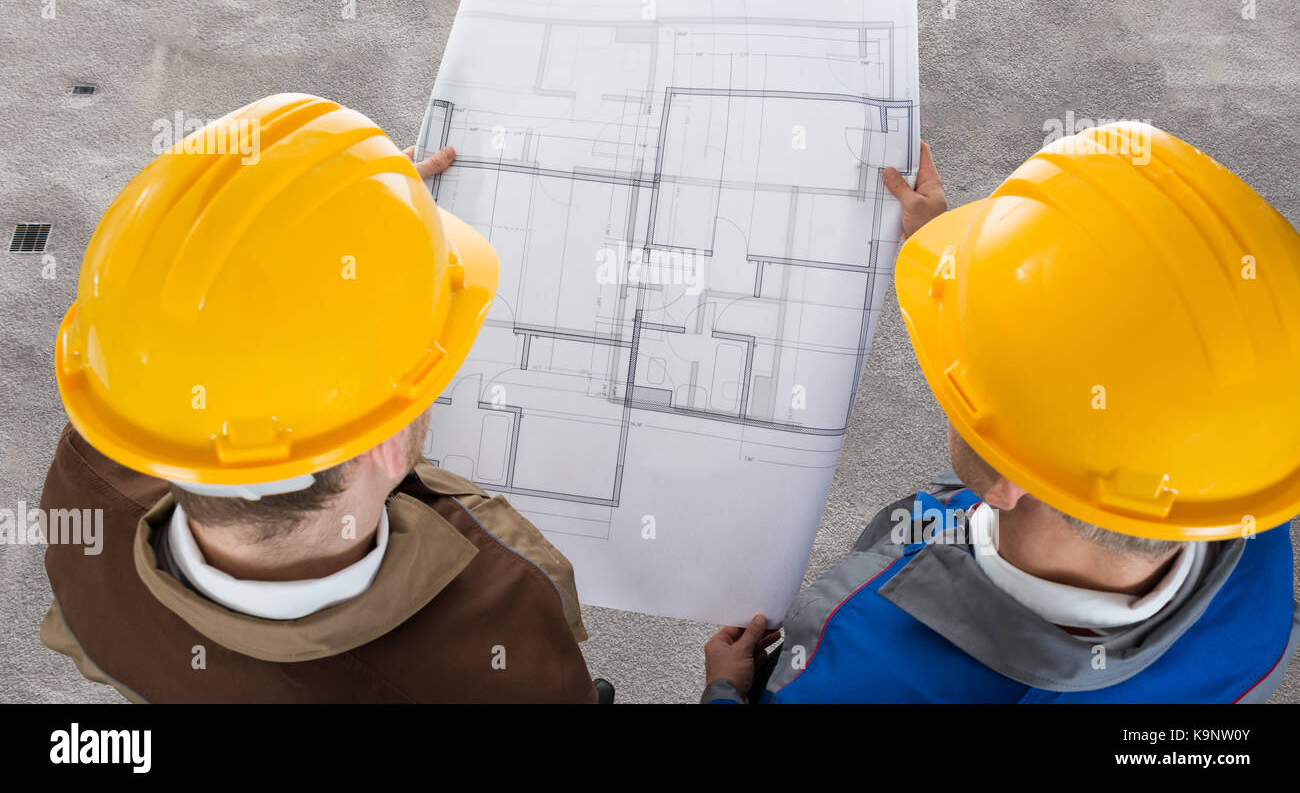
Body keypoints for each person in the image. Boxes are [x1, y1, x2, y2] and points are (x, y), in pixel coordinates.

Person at [703, 123, 1300, 703]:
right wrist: (959, 265)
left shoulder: (853, 675)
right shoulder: (1242, 505)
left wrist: (726, 692)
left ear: (1005, 478)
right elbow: (1136, 346)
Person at [40, 93, 597, 702]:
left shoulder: (85, 488)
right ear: (386, 448)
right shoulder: (504, 635)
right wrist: (721, 693)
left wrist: (362, 229)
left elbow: (208, 332)